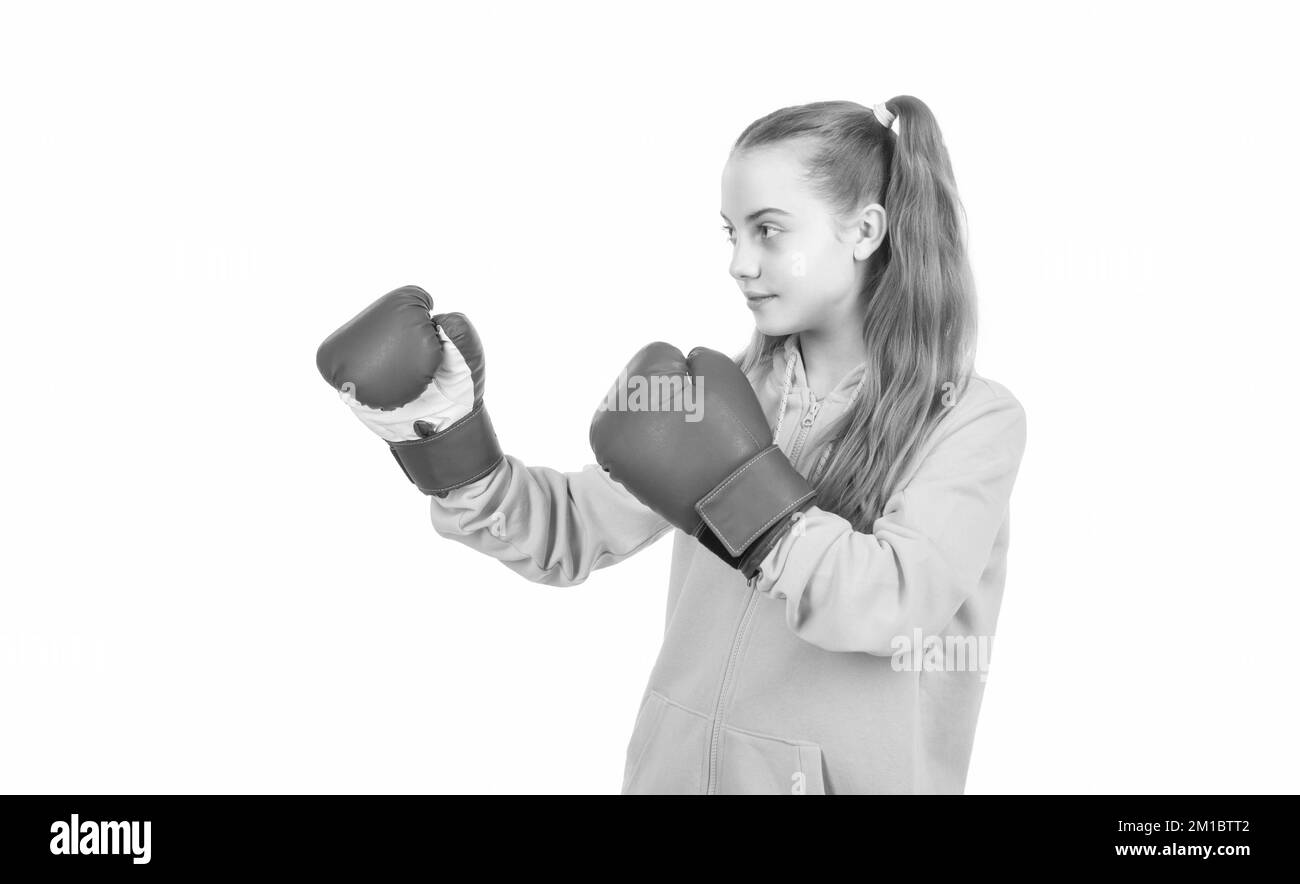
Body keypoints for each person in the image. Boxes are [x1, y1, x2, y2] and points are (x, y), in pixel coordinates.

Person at [316, 95, 1028, 794]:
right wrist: (447, 447)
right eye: (731, 233)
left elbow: (898, 602)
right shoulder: (721, 395)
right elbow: (571, 528)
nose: (740, 263)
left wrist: (750, 500)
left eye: (769, 230)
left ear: (865, 230)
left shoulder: (969, 420)